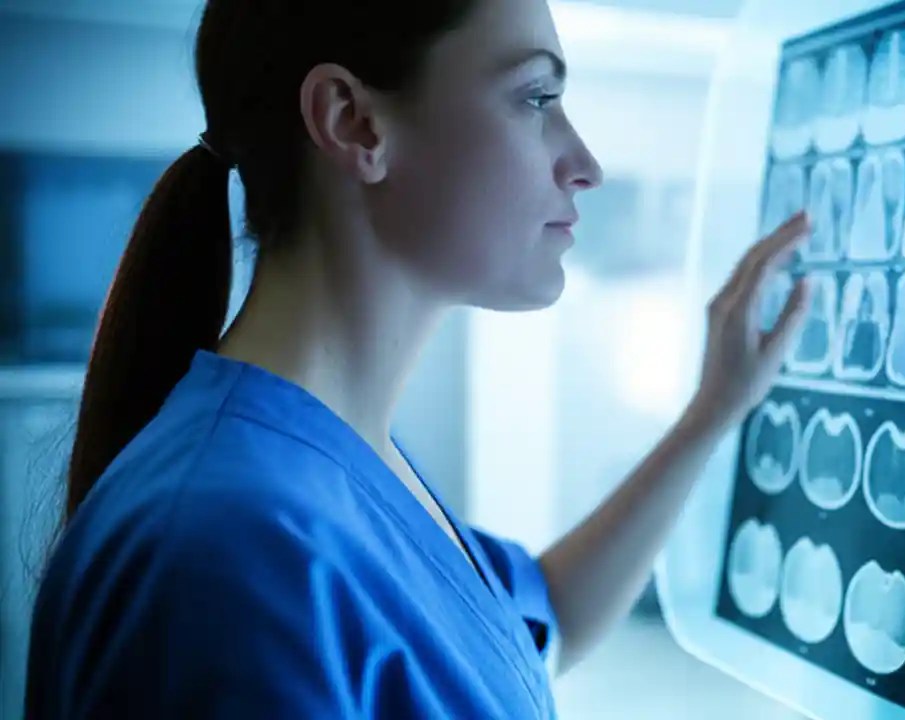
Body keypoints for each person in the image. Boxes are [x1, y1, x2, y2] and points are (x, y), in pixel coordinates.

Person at [23, 0, 812, 717]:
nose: (586, 164)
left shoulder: (333, 465)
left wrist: (715, 410)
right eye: (537, 99)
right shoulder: (227, 550)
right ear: (356, 125)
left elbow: (535, 629)